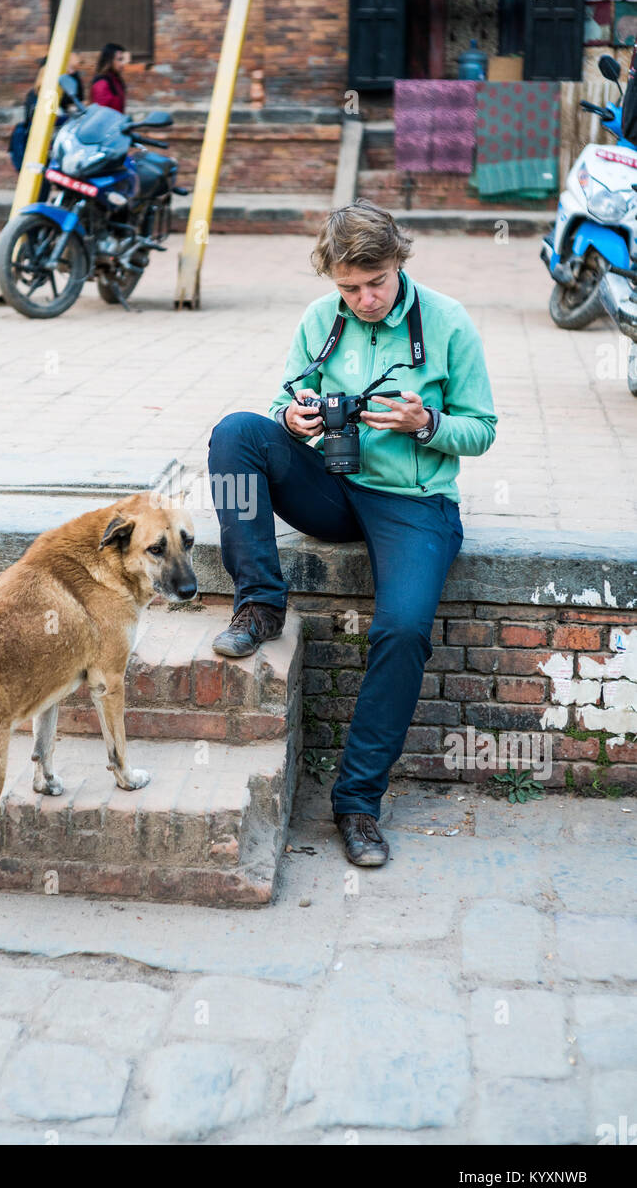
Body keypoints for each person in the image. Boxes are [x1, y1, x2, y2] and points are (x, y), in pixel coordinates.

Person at [207, 200, 497, 869]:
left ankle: (356, 803)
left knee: (400, 629)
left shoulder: (448, 323)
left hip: (414, 502)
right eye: (348, 288)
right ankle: (258, 603)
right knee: (235, 433)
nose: (363, 299)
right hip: (332, 488)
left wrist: (425, 424)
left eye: (376, 283)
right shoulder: (320, 319)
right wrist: (294, 418)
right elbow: (285, 396)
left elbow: (480, 429)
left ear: (399, 262)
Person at [8, 52, 85, 172]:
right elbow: (49, 119)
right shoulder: (44, 96)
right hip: (38, 149)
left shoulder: (46, 95)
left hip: (45, 148)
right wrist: (70, 117)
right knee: (41, 185)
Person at [90, 42, 128, 113]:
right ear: (109, 60)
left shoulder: (116, 79)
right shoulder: (102, 83)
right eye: (119, 59)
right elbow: (100, 114)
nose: (122, 64)